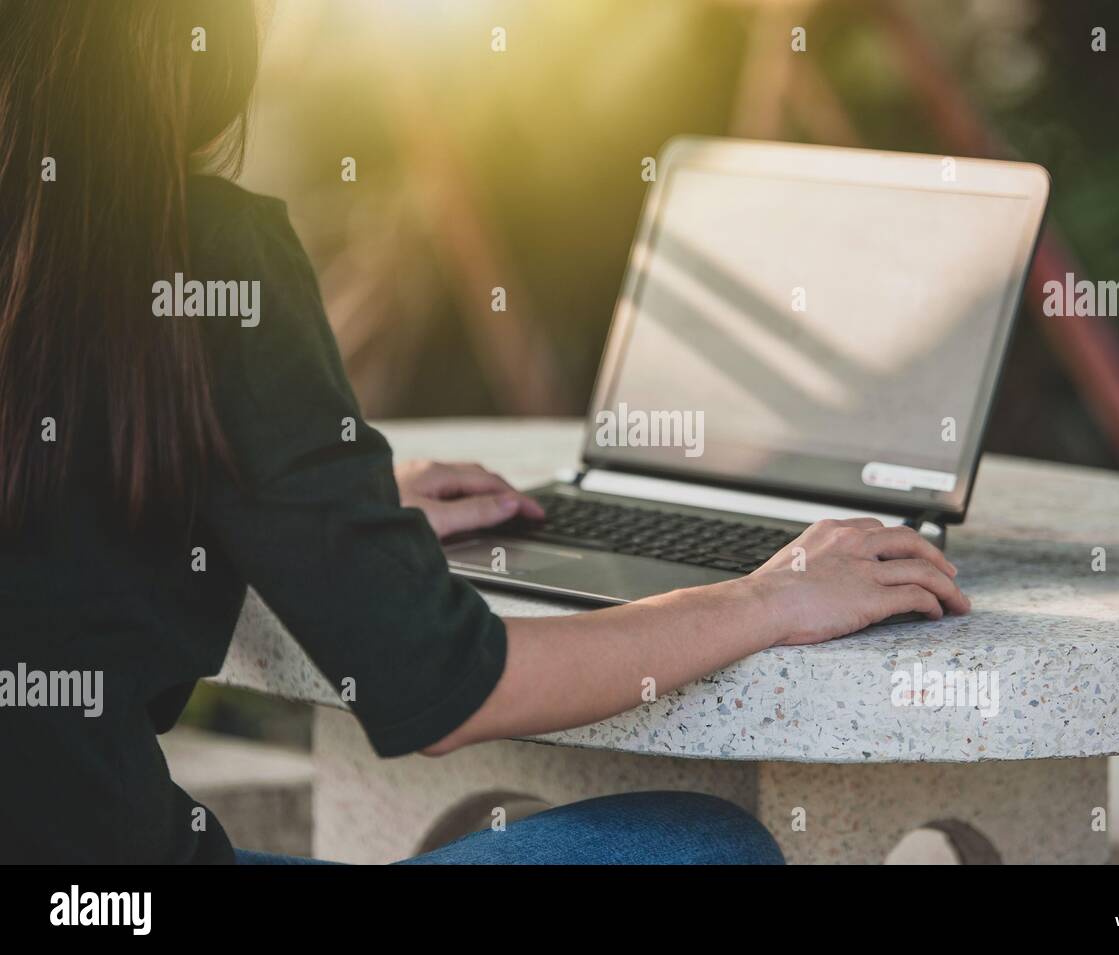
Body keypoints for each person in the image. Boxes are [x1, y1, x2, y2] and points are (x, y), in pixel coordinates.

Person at [0, 0, 969, 864]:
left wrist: (331, 522)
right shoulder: (198, 248)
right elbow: (449, 690)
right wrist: (765, 599)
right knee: (696, 845)